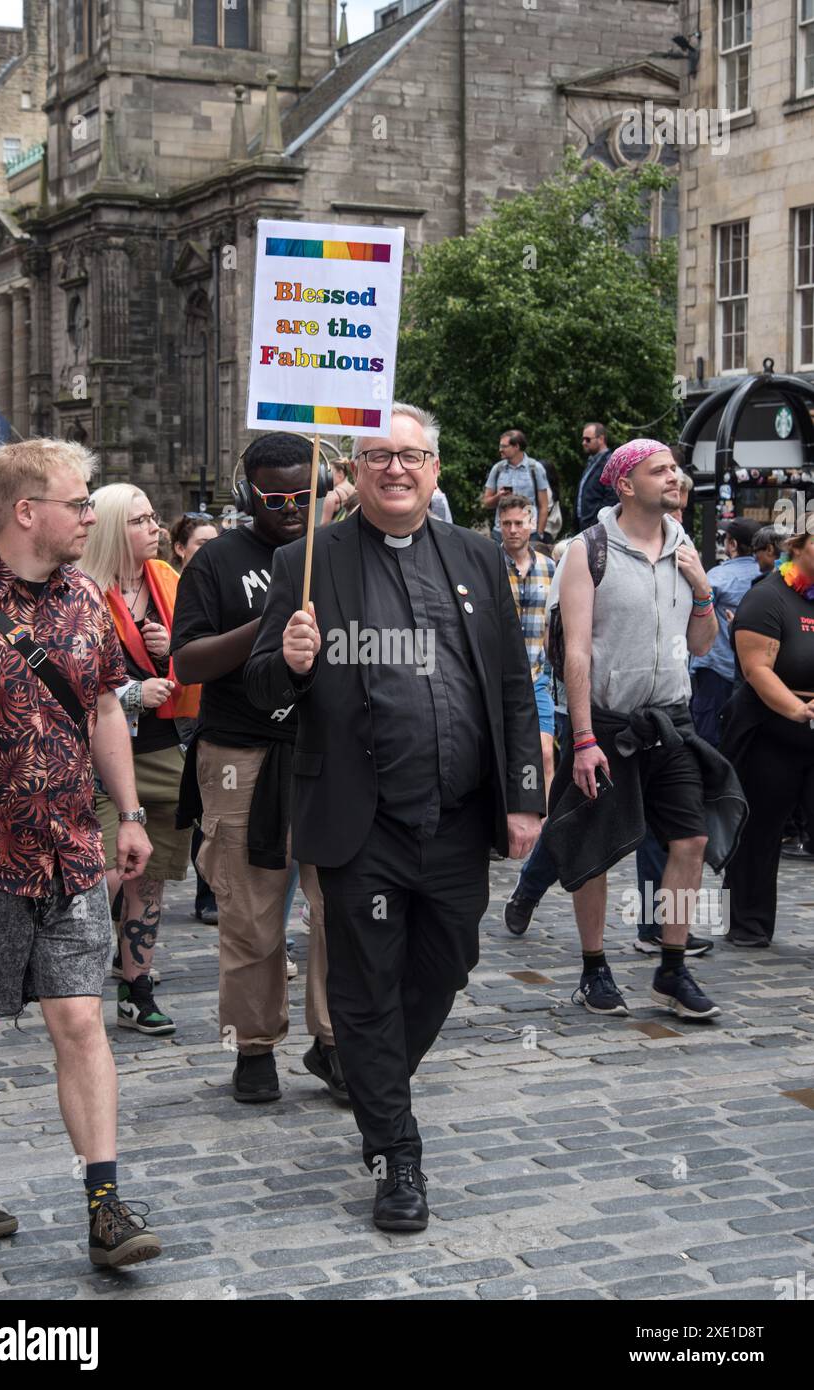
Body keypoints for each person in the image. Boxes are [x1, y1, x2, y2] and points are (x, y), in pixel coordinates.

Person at [244, 402, 544, 1233]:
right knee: (366, 986)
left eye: (410, 458)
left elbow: (511, 686)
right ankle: (396, 1152)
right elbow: (264, 684)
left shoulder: (479, 558)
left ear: (436, 471)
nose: (395, 470)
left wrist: (524, 794)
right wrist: (291, 662)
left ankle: (372, 1078)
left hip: (456, 816)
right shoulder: (309, 561)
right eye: (377, 457)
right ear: (355, 472)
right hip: (359, 818)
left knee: (444, 965)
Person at [0, 439, 162, 1268]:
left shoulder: (83, 597)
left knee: (79, 1021)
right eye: (77, 503)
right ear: (24, 511)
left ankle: (105, 1205)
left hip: (71, 853)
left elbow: (105, 708)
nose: (88, 516)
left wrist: (131, 813)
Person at [541, 438, 746, 1019]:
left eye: (675, 469)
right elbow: (576, 653)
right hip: (606, 723)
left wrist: (703, 590)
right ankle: (594, 967)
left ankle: (672, 969)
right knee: (597, 849)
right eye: (660, 471)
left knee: (692, 840)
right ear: (627, 485)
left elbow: (701, 645)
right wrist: (581, 739)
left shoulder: (684, 547)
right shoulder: (589, 551)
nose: (674, 478)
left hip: (671, 720)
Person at [171, 433, 342, 1105]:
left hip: (328, 754)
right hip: (241, 756)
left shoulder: (341, 555)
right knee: (249, 913)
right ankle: (253, 1045)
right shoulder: (216, 561)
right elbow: (187, 663)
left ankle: (335, 1042)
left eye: (305, 495)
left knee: (339, 911)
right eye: (275, 498)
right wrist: (270, 623)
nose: (291, 508)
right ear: (247, 495)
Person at [81, 486, 197, 1038]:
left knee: (149, 882)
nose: (155, 527)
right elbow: (66, 682)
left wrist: (172, 646)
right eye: (140, 520)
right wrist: (130, 693)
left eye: (155, 516)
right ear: (107, 529)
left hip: (163, 746)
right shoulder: (79, 591)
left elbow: (199, 653)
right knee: (104, 876)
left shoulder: (170, 582)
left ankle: (136, 986)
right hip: (101, 756)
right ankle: (72, 984)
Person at [720, 532, 814, 946]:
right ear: (797, 546)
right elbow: (757, 669)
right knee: (759, 830)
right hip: (770, 730)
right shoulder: (767, 598)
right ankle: (748, 924)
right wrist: (797, 710)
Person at [169, 511, 221, 925]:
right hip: (175, 708)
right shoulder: (169, 585)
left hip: (205, 704)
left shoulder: (220, 579)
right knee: (195, 804)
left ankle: (210, 893)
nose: (211, 548)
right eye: (202, 543)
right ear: (180, 549)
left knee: (209, 809)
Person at [498, 494, 556, 796]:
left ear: (531, 524)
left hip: (536, 678)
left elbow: (553, 623)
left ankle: (545, 833)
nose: (512, 529)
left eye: (519, 523)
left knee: (545, 753)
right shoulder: (487, 564)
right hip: (499, 680)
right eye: (506, 523)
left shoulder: (550, 568)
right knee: (503, 756)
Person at [689, 518, 761, 747]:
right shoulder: (772, 577)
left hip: (716, 668)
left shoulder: (718, 577)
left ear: (732, 544)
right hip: (757, 672)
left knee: (708, 739)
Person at [483, 430, 549, 543]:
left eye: (504, 446)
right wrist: (498, 496)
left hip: (529, 532)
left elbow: (544, 505)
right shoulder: (498, 469)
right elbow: (486, 503)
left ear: (516, 446)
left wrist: (539, 533)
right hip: (501, 532)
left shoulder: (535, 468)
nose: (500, 450)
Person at [576, 422, 615, 531]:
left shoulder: (609, 462)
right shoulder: (592, 462)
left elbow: (611, 498)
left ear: (601, 439)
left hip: (598, 527)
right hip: (585, 526)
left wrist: (595, 521)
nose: (584, 443)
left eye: (588, 439)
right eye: (583, 439)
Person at [320, 458, 359, 526]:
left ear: (340, 473)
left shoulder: (332, 495)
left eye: (329, 472)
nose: (326, 477)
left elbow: (324, 525)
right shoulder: (356, 491)